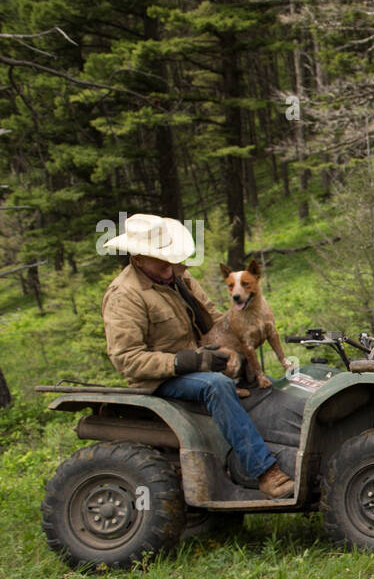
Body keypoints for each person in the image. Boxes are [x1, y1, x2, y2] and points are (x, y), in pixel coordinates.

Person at [100, 213, 294, 499]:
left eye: (170, 257)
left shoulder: (179, 277)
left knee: (257, 378)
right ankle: (264, 471)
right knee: (217, 386)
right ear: (137, 258)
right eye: (160, 259)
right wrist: (183, 361)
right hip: (158, 379)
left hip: (200, 359)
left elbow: (215, 318)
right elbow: (127, 359)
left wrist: (245, 330)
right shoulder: (125, 295)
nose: (169, 266)